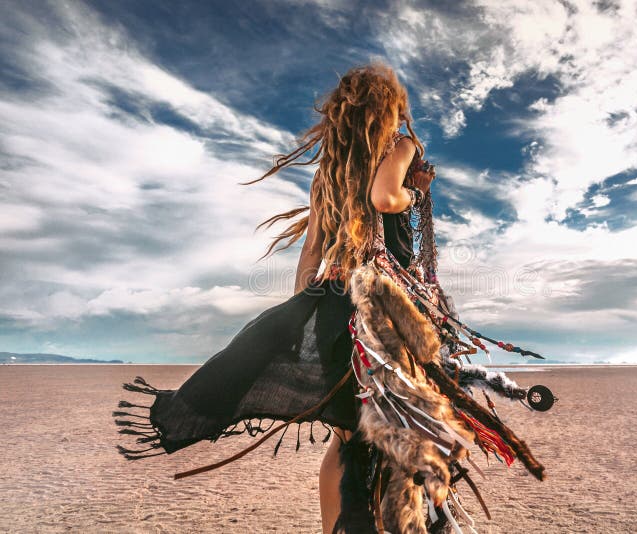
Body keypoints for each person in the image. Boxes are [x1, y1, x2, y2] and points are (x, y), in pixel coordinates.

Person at [114, 61, 547, 534]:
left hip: (336, 305)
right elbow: (385, 199)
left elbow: (310, 256)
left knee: (347, 439)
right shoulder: (402, 148)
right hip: (383, 313)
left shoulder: (329, 176)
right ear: (387, 113)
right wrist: (413, 191)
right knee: (407, 422)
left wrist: (307, 316)